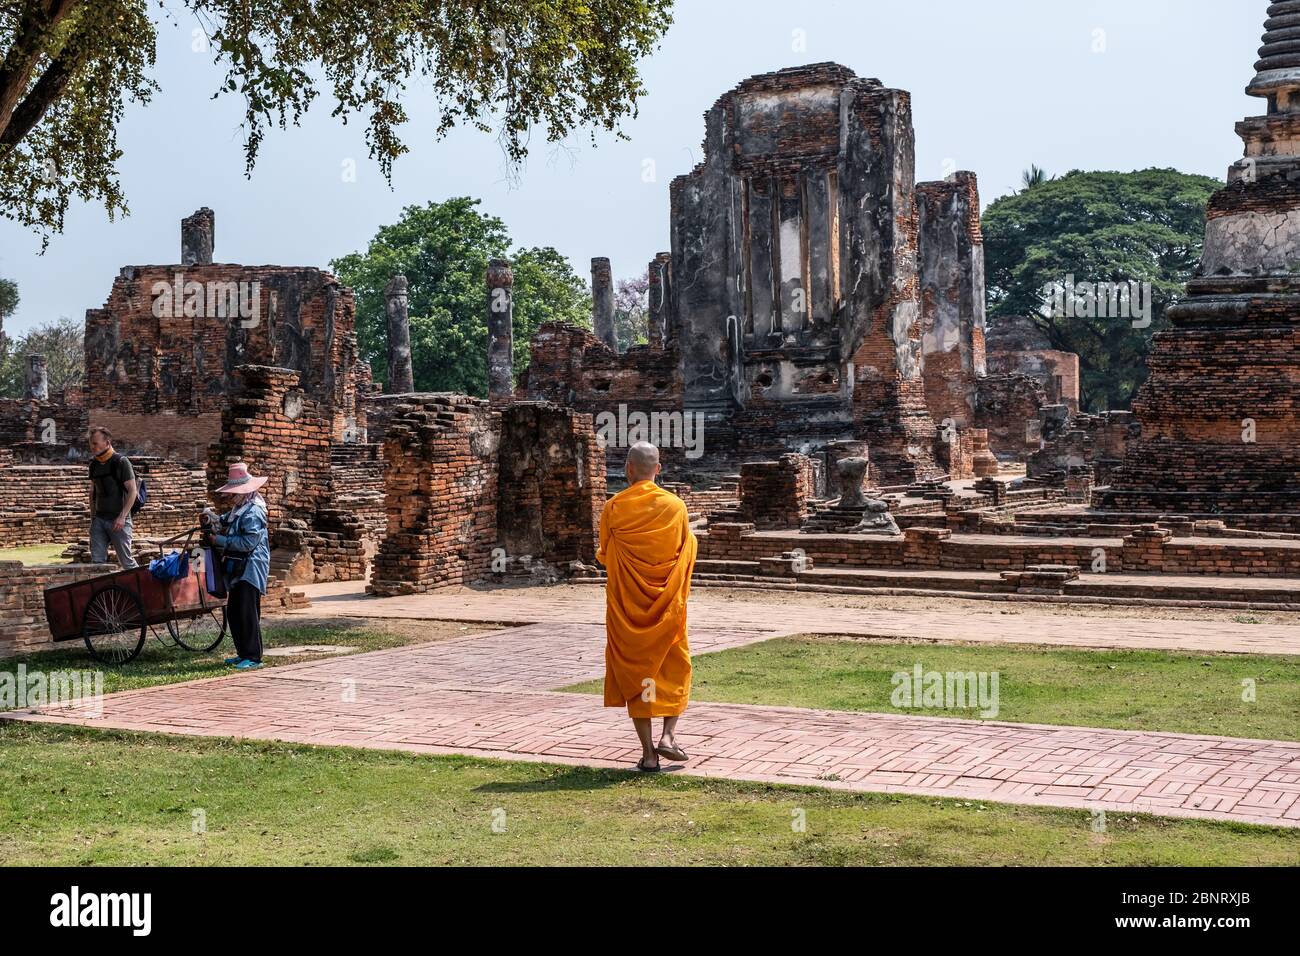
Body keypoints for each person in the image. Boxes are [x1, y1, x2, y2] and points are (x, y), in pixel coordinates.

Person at [597, 441, 698, 772]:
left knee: (638, 672)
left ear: (628, 469)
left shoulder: (614, 507)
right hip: (667, 605)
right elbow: (686, 548)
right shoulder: (676, 507)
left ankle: (648, 754)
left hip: (628, 608)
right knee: (673, 667)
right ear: (659, 468)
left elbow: (604, 553)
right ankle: (669, 736)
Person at [206, 462, 271, 670]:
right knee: (235, 612)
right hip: (237, 566)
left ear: (245, 492)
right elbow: (225, 521)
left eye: (234, 494)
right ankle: (243, 653)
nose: (231, 498)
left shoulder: (254, 512)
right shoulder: (240, 509)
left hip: (251, 567)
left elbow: (247, 543)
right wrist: (212, 519)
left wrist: (219, 541)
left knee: (247, 613)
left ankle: (253, 657)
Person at [86, 426, 139, 570]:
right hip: (99, 519)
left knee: (127, 562)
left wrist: (122, 516)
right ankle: (104, 592)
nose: (92, 446)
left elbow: (132, 491)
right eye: (91, 443)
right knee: (97, 564)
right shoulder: (94, 464)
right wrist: (93, 518)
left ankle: (143, 588)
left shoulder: (121, 461)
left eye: (95, 443)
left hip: (119, 520)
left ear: (107, 443)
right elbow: (93, 492)